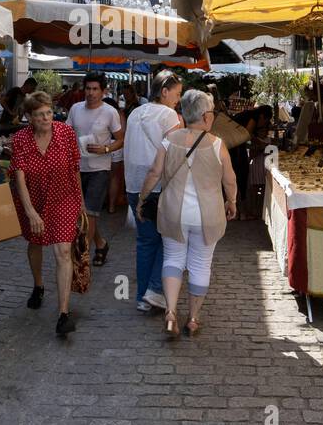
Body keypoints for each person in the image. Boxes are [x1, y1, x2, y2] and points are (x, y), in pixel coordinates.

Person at [138, 89, 237, 338]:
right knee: (200, 264)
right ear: (206, 116)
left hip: (174, 212)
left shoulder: (169, 140)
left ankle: (171, 312)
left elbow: (154, 173)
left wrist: (142, 198)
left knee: (172, 259)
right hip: (208, 215)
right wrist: (232, 201)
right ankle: (193, 319)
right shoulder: (217, 144)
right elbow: (230, 179)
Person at [10, 91, 83, 335]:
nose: (46, 118)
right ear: (29, 117)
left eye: (49, 113)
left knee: (63, 251)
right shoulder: (20, 139)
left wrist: (80, 203)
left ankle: (63, 313)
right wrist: (31, 212)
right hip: (33, 198)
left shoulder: (66, 133)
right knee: (35, 242)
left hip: (64, 197)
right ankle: (38, 285)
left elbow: (75, 169)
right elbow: (18, 176)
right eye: (40, 115)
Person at [123, 72, 183, 312]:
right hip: (157, 185)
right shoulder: (169, 115)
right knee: (170, 240)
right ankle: (156, 290)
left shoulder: (136, 112)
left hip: (133, 185)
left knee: (145, 241)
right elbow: (173, 153)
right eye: (177, 94)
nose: (178, 99)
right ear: (164, 91)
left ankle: (142, 297)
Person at [66, 72, 122, 266]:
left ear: (103, 91)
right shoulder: (75, 109)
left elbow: (121, 139)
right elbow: (67, 133)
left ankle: (82, 258)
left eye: (95, 89)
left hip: (100, 168)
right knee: (88, 213)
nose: (90, 93)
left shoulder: (110, 112)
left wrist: (105, 148)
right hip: (77, 168)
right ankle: (101, 243)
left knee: (89, 213)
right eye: (88, 88)